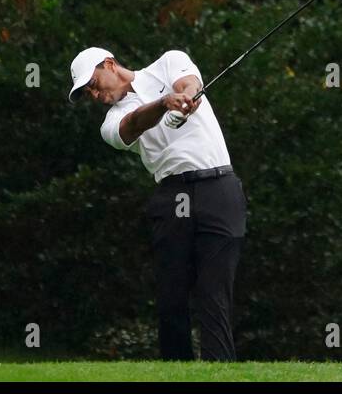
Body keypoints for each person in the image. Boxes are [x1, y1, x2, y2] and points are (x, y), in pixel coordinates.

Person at [68, 46, 246, 361]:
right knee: (172, 293)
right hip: (172, 195)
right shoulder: (110, 122)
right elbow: (134, 124)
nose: (94, 95)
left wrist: (184, 100)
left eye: (93, 84)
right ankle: (176, 373)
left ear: (109, 64)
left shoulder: (168, 62)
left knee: (214, 291)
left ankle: (220, 370)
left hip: (219, 187)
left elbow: (189, 83)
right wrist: (165, 105)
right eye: (87, 93)